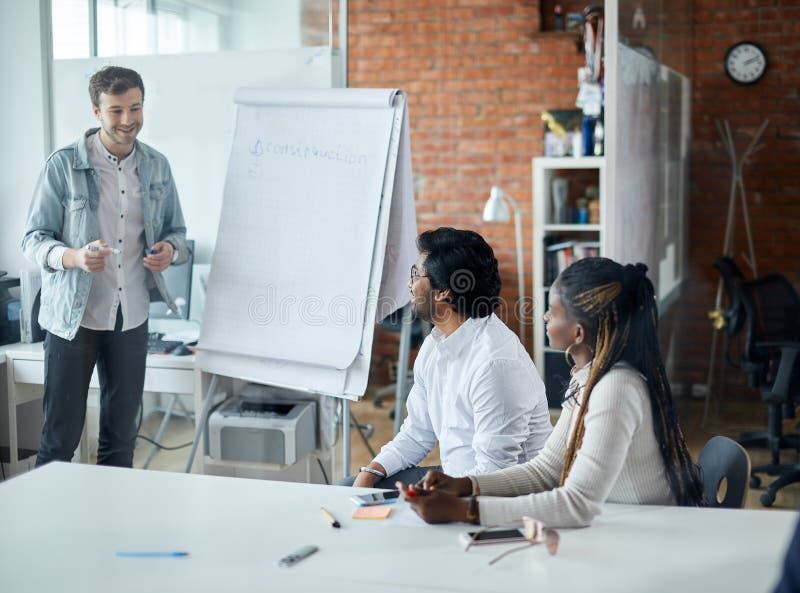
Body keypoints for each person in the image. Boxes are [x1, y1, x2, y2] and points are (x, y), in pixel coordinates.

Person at [399, 257, 705, 528]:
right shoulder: (589, 376)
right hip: (620, 525)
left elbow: (578, 504)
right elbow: (546, 470)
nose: (544, 317)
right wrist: (466, 485)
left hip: (648, 537)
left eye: (553, 312)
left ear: (578, 332)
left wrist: (465, 510)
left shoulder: (617, 387)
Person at [22, 66, 188, 468]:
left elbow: (177, 234)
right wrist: (75, 257)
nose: (128, 120)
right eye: (116, 111)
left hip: (130, 319)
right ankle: (54, 530)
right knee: (59, 441)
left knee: (121, 441)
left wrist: (169, 250)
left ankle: (114, 527)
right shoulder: (63, 165)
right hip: (72, 320)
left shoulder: (157, 166)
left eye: (135, 108)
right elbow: (33, 240)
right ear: (96, 112)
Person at [347, 227, 552, 489]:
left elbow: (494, 475)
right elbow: (417, 433)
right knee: (351, 486)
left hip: (499, 496)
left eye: (415, 275)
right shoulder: (436, 345)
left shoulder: (496, 364)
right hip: (457, 479)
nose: (409, 284)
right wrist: (370, 471)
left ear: (444, 291)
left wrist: (435, 501)